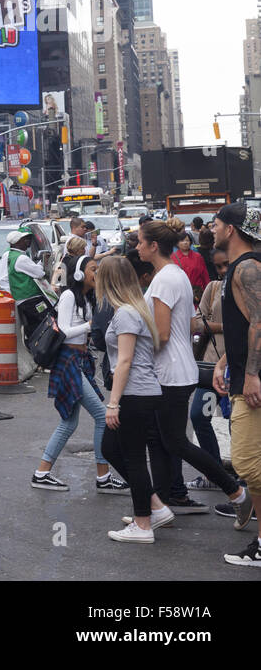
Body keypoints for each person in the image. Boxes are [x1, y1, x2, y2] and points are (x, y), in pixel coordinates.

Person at [138, 220, 248, 521]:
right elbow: (187, 325)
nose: (136, 247)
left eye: (140, 242)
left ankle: (235, 492)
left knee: (174, 442)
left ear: (153, 246)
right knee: (160, 441)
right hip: (174, 369)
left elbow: (161, 335)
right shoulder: (176, 275)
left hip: (168, 372)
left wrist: (133, 350)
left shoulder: (163, 280)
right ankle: (156, 508)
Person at [30, 255, 128, 494]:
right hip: (68, 361)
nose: (97, 273)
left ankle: (42, 473)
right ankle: (102, 476)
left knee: (69, 422)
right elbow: (63, 330)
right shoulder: (68, 296)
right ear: (79, 273)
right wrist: (90, 325)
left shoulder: (87, 297)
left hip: (80, 360)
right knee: (102, 416)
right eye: (93, 269)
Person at [95, 256, 174, 542]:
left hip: (134, 394)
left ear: (109, 281)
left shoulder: (126, 313)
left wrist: (113, 403)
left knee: (133, 458)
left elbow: (125, 361)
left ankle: (143, 524)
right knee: (113, 449)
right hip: (143, 391)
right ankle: (154, 507)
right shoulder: (135, 309)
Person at [210, 204, 261, 565]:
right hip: (243, 375)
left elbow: (260, 322)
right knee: (253, 467)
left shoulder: (247, 268)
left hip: (253, 383)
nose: (212, 229)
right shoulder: (241, 269)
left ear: (231, 229)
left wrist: (253, 374)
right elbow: (244, 326)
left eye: (215, 224)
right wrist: (226, 361)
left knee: (246, 463)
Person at [186, 248, 230, 486]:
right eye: (219, 267)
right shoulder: (213, 287)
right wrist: (227, 326)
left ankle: (244, 478)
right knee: (199, 416)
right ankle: (214, 474)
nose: (223, 271)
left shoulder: (251, 284)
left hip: (243, 368)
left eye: (227, 265)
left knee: (237, 422)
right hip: (213, 367)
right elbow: (198, 323)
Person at [4, 227, 55, 338]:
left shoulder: (9, 255)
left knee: (32, 325)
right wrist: (42, 264)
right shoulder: (21, 258)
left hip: (21, 298)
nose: (28, 242)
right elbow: (39, 273)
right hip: (30, 298)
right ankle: (42, 345)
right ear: (17, 242)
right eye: (25, 239)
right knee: (47, 319)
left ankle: (34, 345)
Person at [172, 232, 210, 300]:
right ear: (177, 243)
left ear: (190, 242)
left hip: (197, 293)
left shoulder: (198, 256)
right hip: (180, 293)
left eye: (187, 240)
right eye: (182, 240)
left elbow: (204, 274)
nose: (185, 243)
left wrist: (207, 290)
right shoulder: (173, 258)